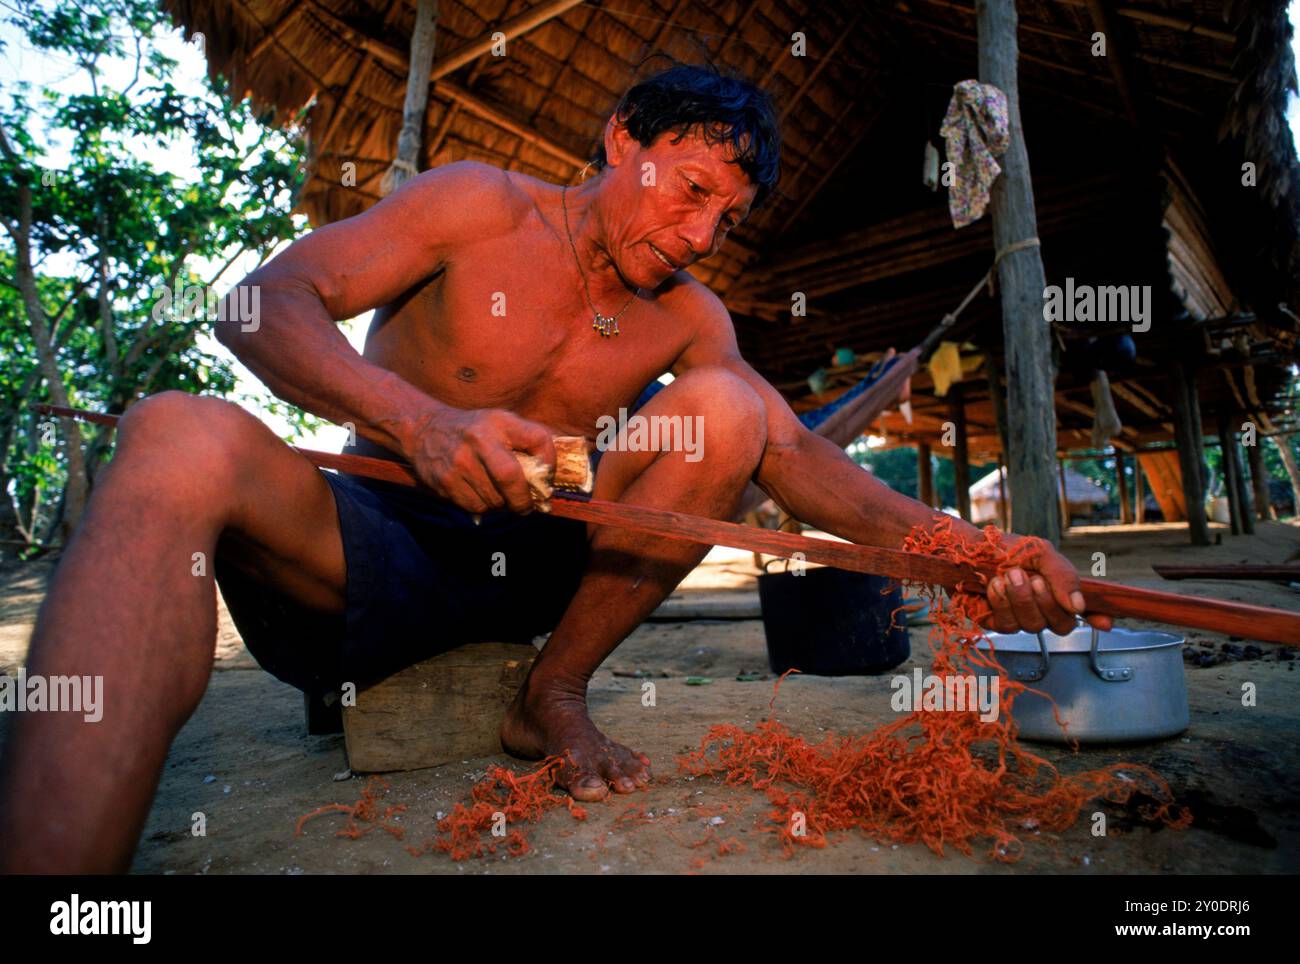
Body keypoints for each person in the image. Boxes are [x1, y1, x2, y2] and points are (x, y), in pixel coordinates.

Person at [0, 64, 1108, 872]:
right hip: (364, 549)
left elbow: (793, 454)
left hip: (537, 564)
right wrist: (424, 424)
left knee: (728, 406)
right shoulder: (478, 204)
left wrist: (971, 552)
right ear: (623, 138)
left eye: (726, 214)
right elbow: (258, 304)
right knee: (173, 429)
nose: (699, 232)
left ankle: (553, 689)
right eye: (687, 187)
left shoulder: (689, 316)